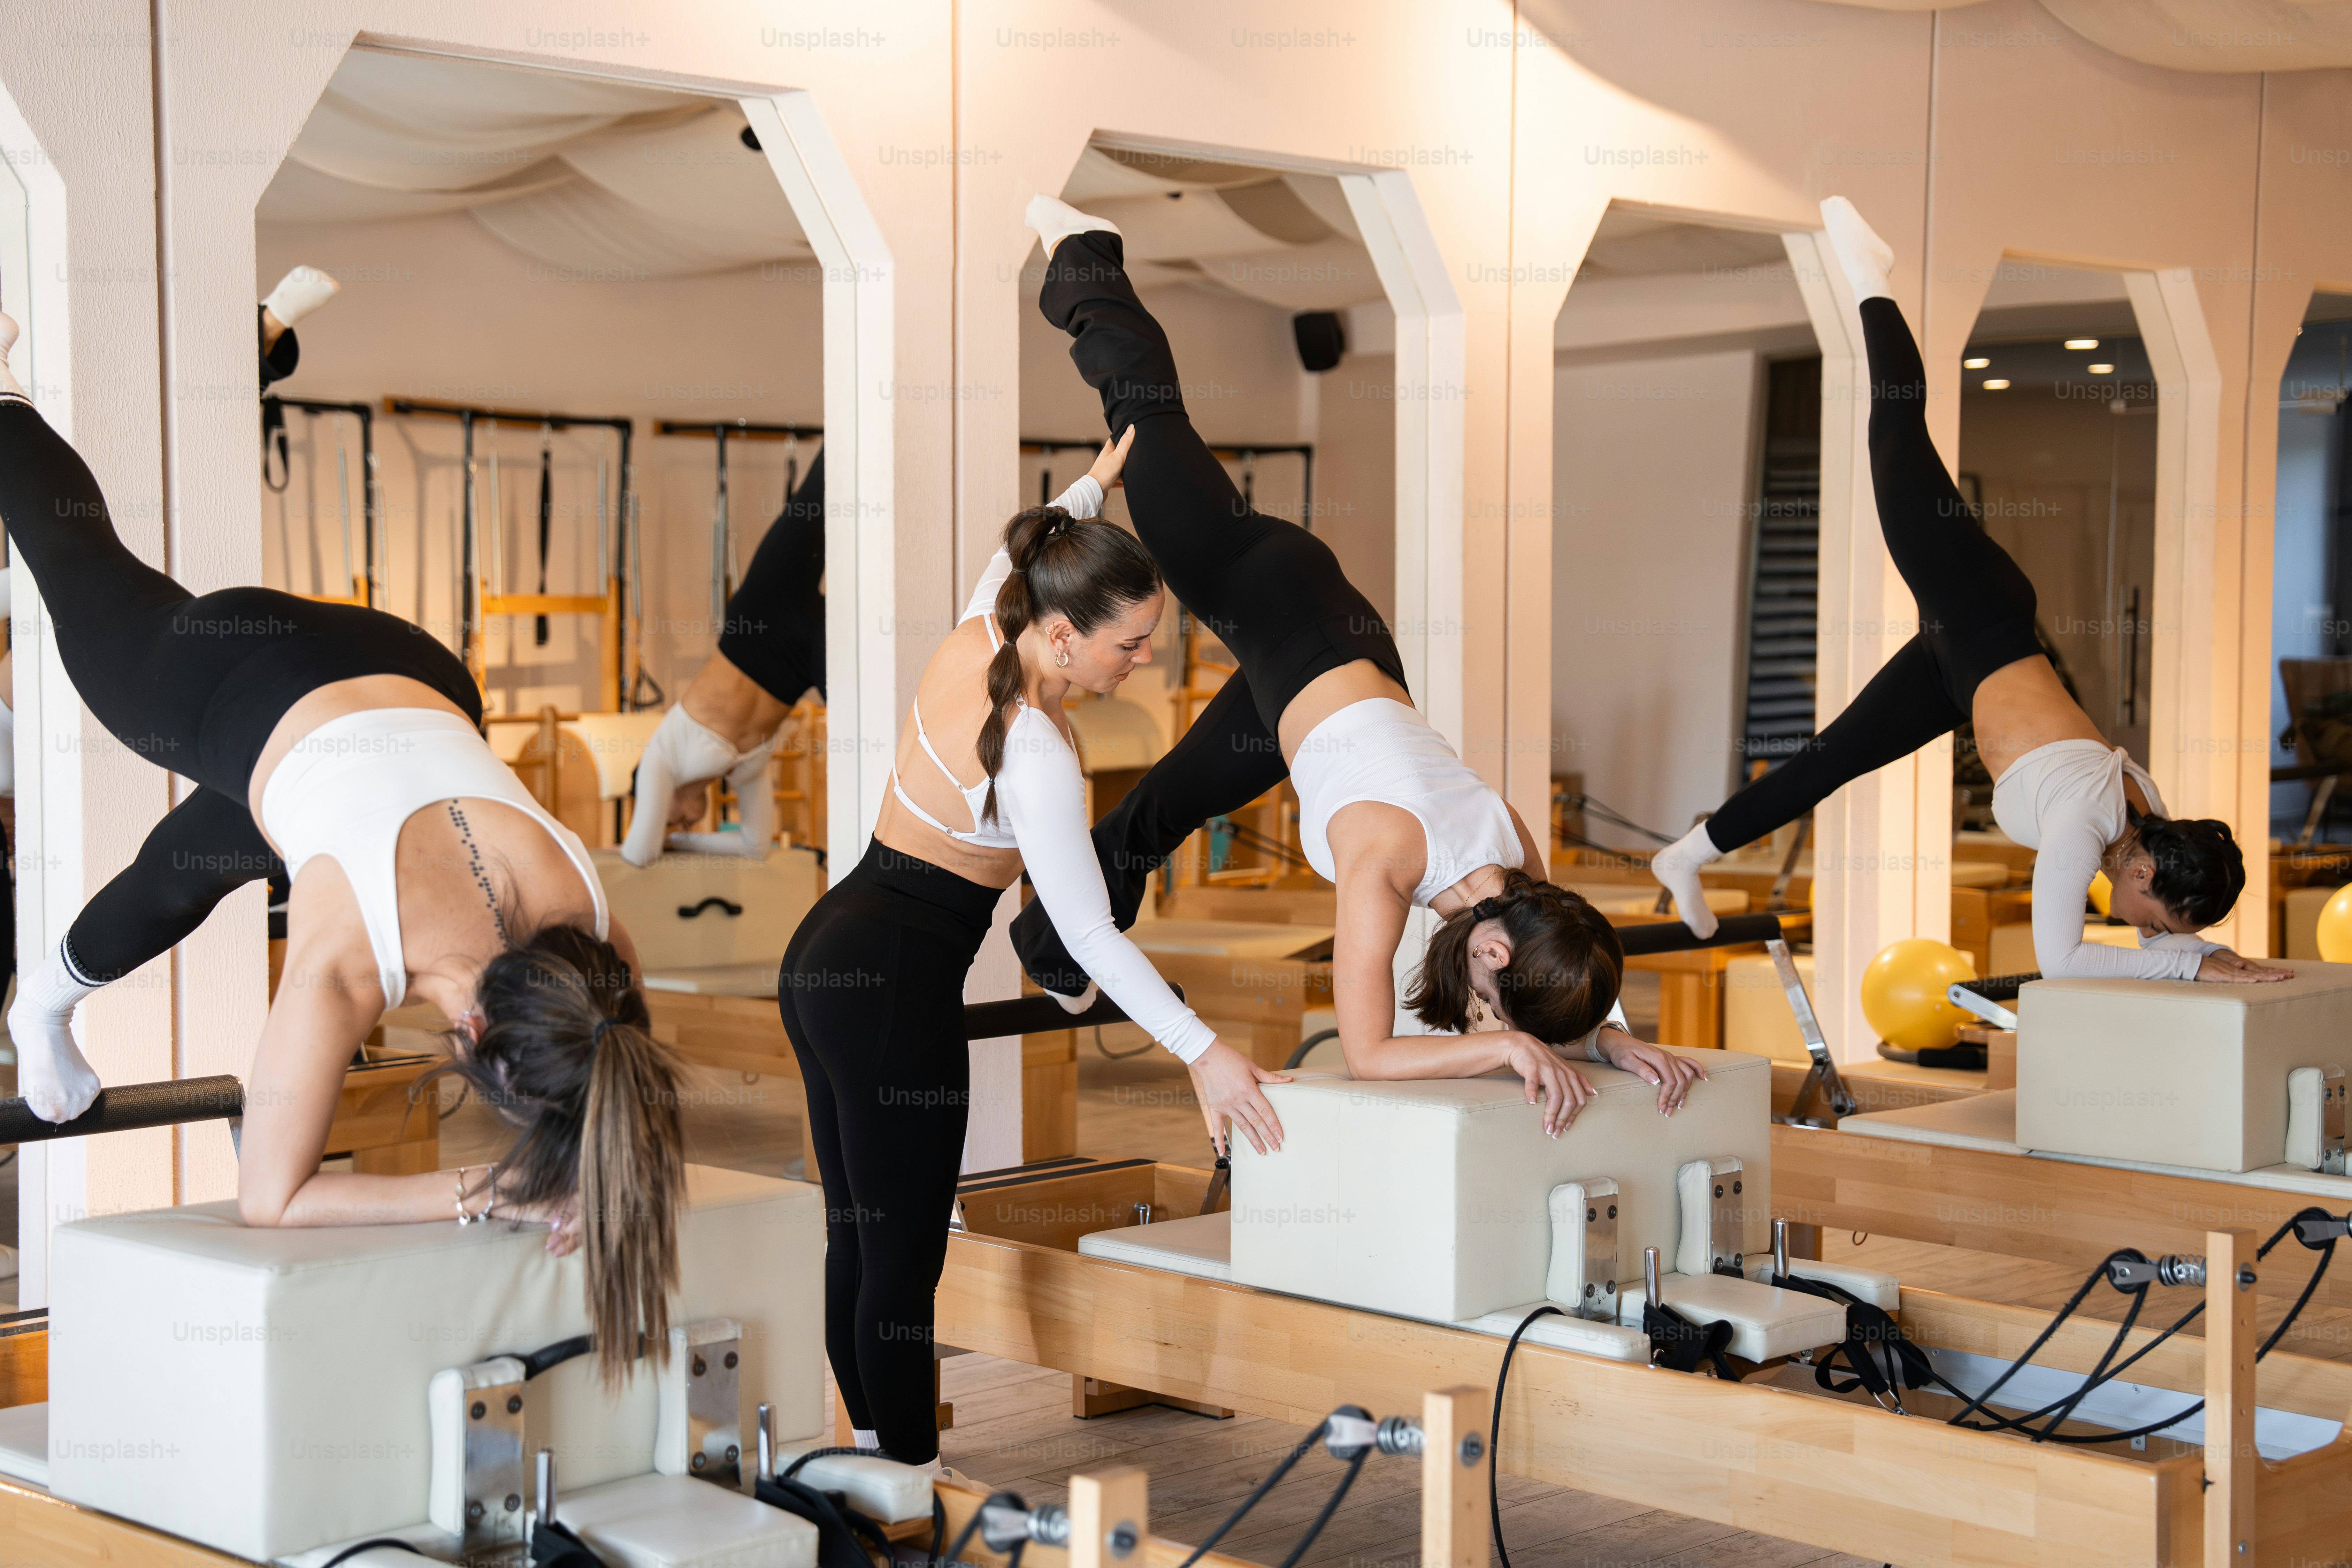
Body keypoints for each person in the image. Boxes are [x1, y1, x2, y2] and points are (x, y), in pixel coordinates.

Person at [0, 307, 679, 1385]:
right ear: (466, 1025)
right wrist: (494, 1191)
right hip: (232, 681)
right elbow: (274, 1196)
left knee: (188, 868)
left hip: (411, 663)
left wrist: (593, 1179)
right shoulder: (347, 958)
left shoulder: (596, 939)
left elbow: (629, 1083)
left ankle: (40, 1002)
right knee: (77, 560)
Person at [1012, 195, 1706, 1135]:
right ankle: (1079, 254)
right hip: (1263, 598)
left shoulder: (1516, 873)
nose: (1488, 1020)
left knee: (1171, 800)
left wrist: (1609, 1037)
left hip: (1329, 657)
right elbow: (1368, 1051)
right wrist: (1505, 1046)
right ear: (1492, 952)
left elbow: (1565, 942)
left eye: (1501, 1024)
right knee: (1145, 420)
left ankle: (1049, 942)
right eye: (1496, 1007)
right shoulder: (1386, 856)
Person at [1648, 197, 2281, 987]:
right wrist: (2195, 966)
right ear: (2145, 875)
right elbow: (2064, 959)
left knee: (1825, 761)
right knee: (1896, 433)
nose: (2143, 930)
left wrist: (2206, 950)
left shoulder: (2142, 817)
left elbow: (2147, 938)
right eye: (2154, 920)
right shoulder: (2089, 827)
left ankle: (1685, 854)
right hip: (1977, 614)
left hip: (1963, 671)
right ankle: (1867, 277)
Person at [778, 438, 1258, 1467]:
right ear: (1059, 632)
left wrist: (1094, 480)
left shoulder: (982, 627)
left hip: (827, 951)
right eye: (1126, 645)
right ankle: (910, 1489)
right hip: (894, 984)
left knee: (856, 1236)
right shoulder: (1029, 747)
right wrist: (1200, 1046)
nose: (1142, 663)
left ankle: (874, 1464)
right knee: (901, 1263)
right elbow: (1087, 930)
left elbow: (1028, 538)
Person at [620, 450, 826, 865]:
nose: (682, 827)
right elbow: (755, 846)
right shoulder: (743, 771)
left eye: (670, 824)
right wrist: (680, 845)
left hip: (763, 613)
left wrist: (661, 840)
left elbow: (637, 854)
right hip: (804, 658)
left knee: (821, 490)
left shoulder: (662, 757)